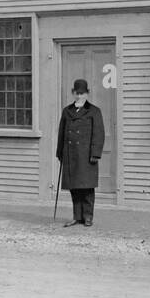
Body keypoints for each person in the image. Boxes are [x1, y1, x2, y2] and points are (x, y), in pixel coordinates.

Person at [56, 78, 105, 228]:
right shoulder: (67, 111)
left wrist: (95, 153)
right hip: (71, 155)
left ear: (87, 94)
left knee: (87, 188)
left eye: (82, 93)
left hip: (86, 156)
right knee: (75, 188)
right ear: (73, 93)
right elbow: (61, 133)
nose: (79, 96)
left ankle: (88, 217)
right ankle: (77, 217)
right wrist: (60, 152)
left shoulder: (94, 111)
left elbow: (99, 133)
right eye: (77, 93)